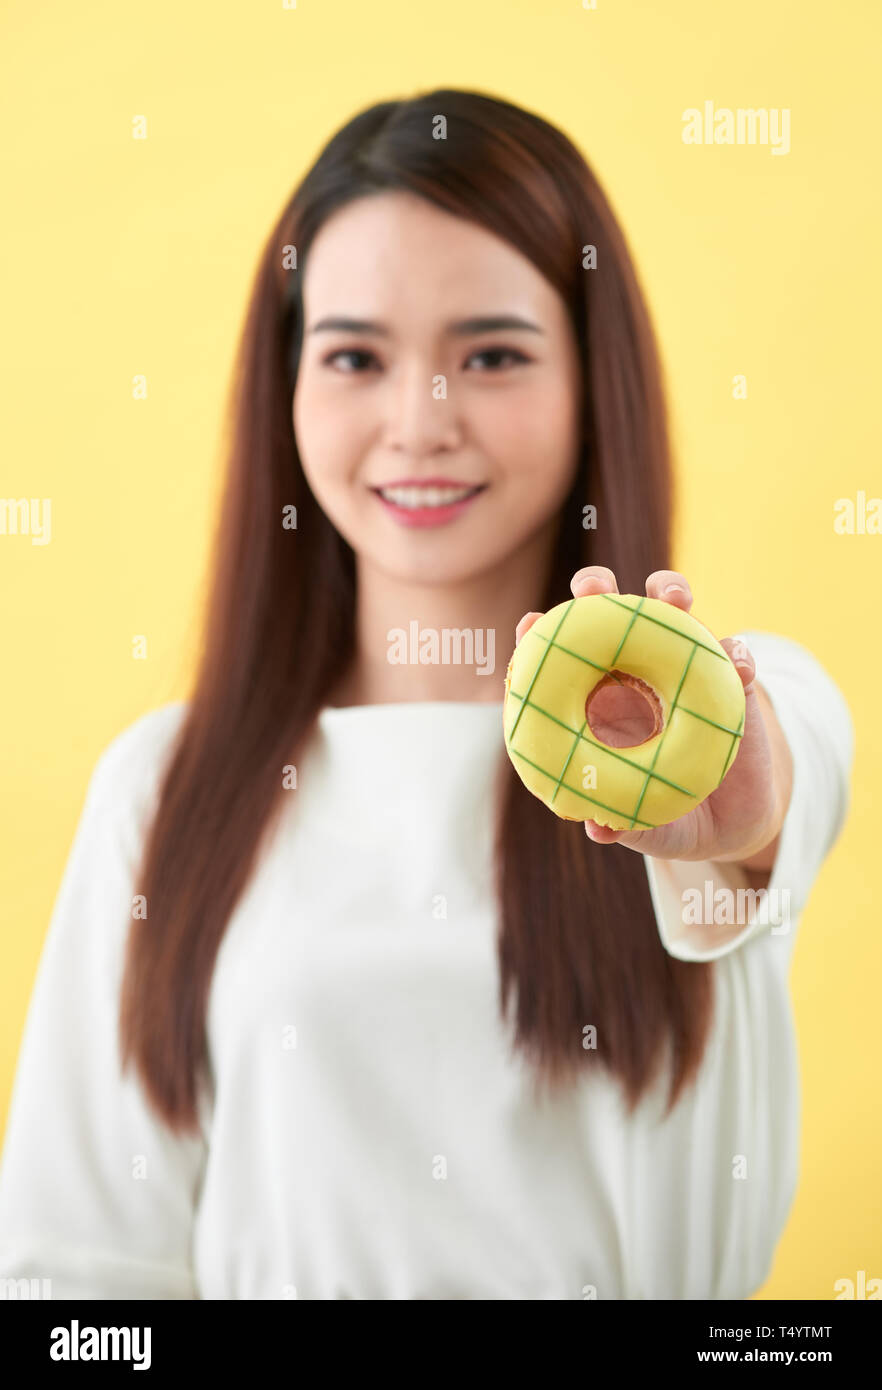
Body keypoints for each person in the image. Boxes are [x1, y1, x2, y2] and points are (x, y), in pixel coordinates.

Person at [0, 88, 853, 1300]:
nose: (419, 422)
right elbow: (72, 1283)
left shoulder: (716, 719)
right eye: (355, 355)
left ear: (589, 377)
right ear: (285, 386)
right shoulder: (162, 784)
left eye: (492, 355)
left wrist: (735, 818)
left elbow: (780, 779)